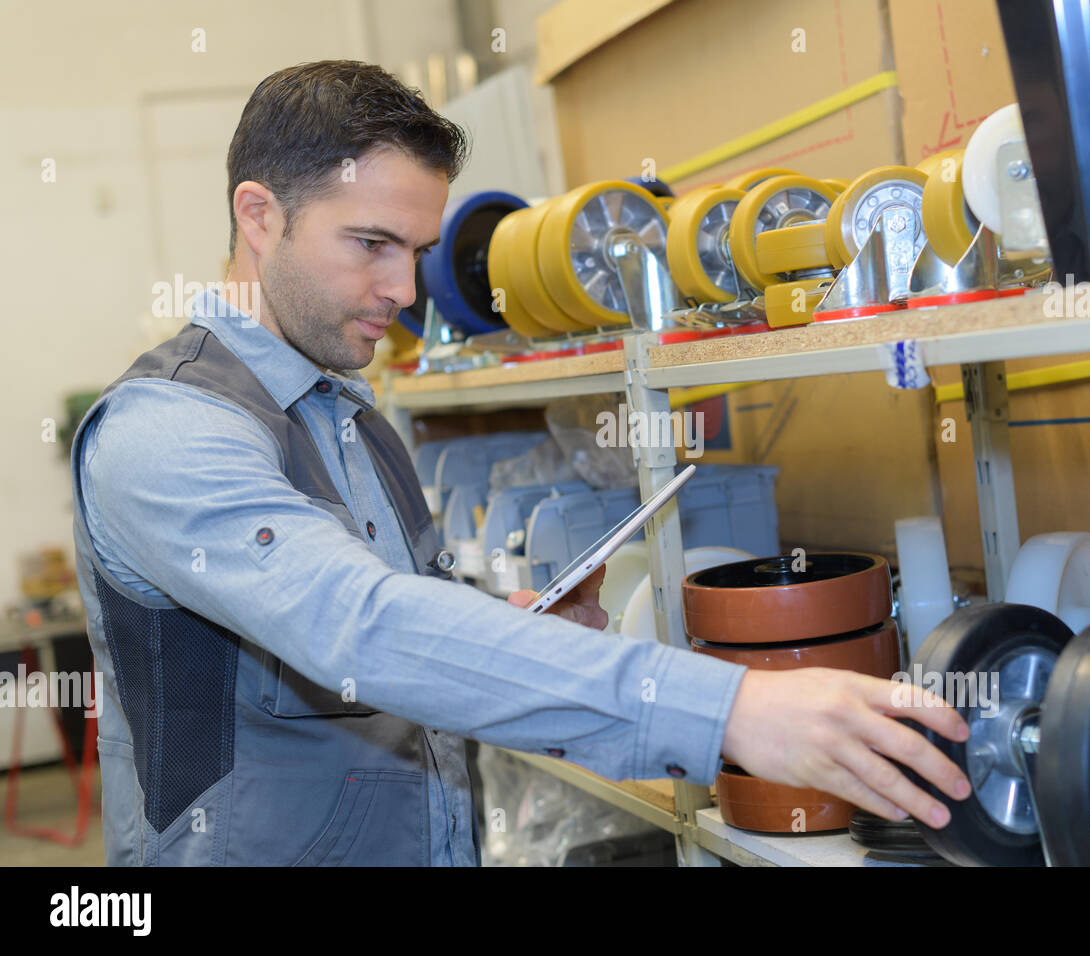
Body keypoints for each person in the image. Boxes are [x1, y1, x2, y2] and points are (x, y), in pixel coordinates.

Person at [70, 60, 970, 866]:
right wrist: (729, 711)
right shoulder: (167, 431)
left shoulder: (351, 417)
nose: (405, 291)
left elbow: (405, 622)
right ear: (259, 215)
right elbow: (359, 629)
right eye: (372, 244)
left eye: (418, 253)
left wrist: (515, 625)